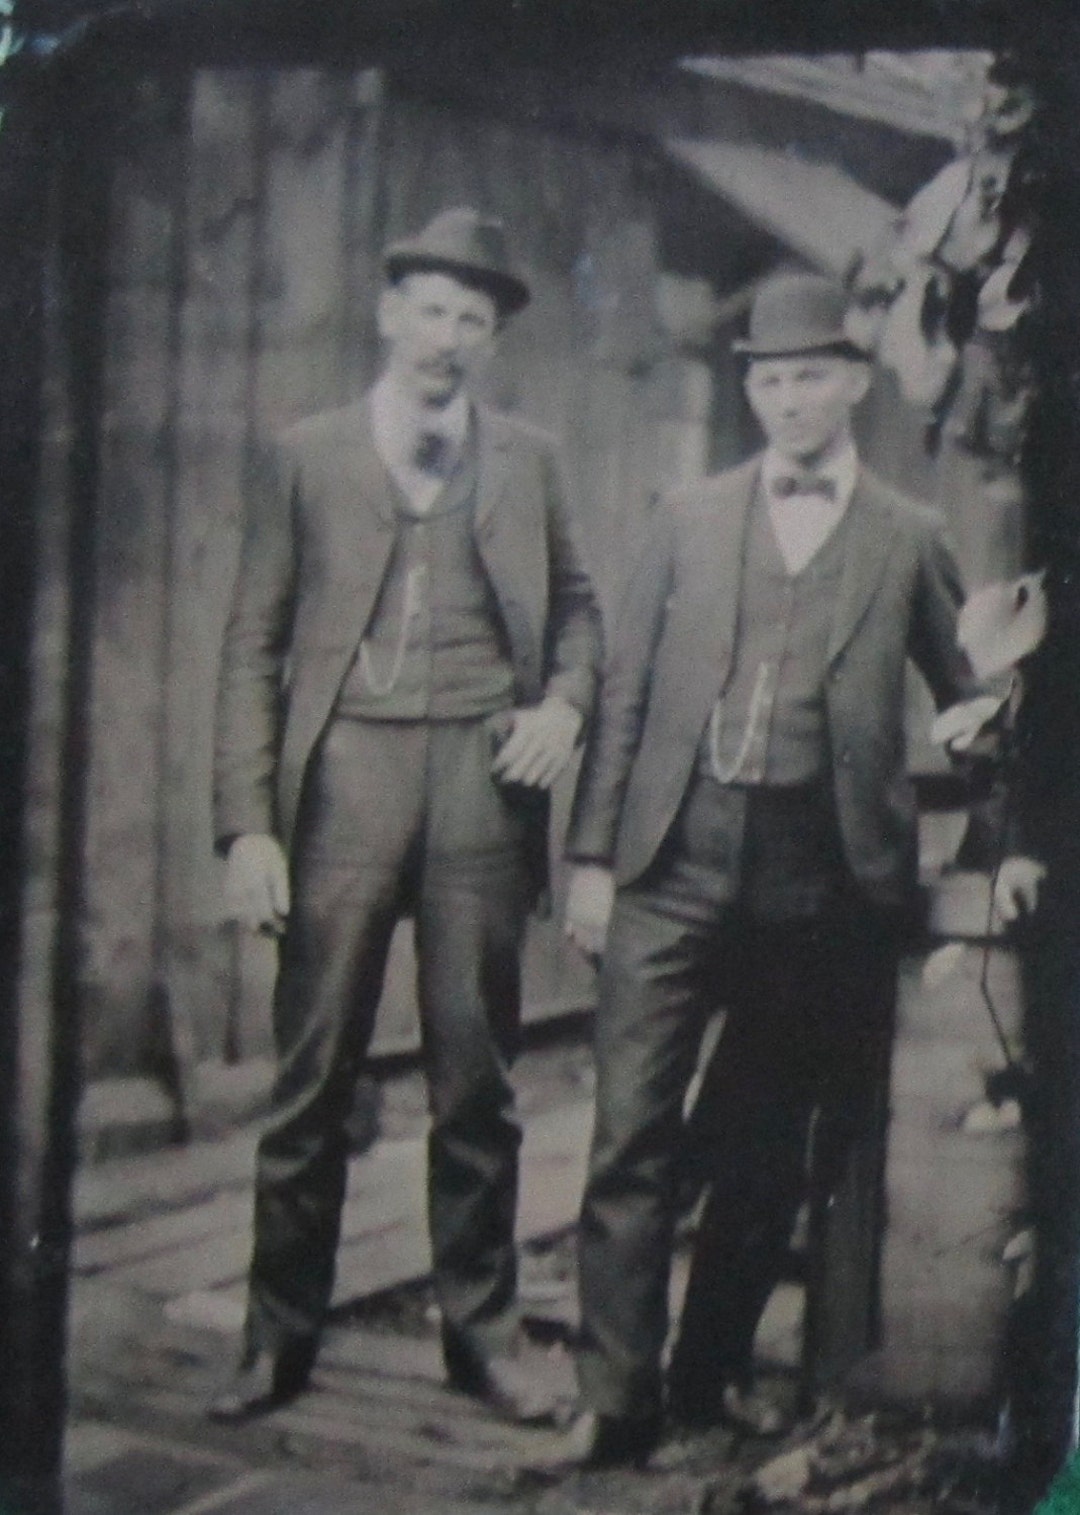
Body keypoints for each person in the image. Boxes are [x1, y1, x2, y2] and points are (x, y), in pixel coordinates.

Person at [561, 269, 989, 1467]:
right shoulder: (687, 518)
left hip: (821, 886)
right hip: (670, 862)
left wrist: (1000, 847)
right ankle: (614, 1395)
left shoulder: (910, 537)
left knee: (761, 1148)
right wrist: (592, 858)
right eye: (769, 378)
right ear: (747, 388)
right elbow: (626, 691)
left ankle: (702, 1385)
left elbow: (974, 712)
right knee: (629, 1133)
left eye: (812, 376)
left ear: (854, 384)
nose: (790, 399)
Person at [209, 207, 602, 1424]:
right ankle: (277, 1337)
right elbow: (250, 646)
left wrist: (567, 707)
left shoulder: (529, 458)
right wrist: (249, 827)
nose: (447, 336)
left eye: (471, 319)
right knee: (314, 1066)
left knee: (475, 1077)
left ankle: (479, 1341)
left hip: (484, 783)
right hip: (345, 781)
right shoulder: (308, 453)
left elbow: (582, 610)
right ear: (389, 316)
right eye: (429, 309)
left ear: (491, 340)